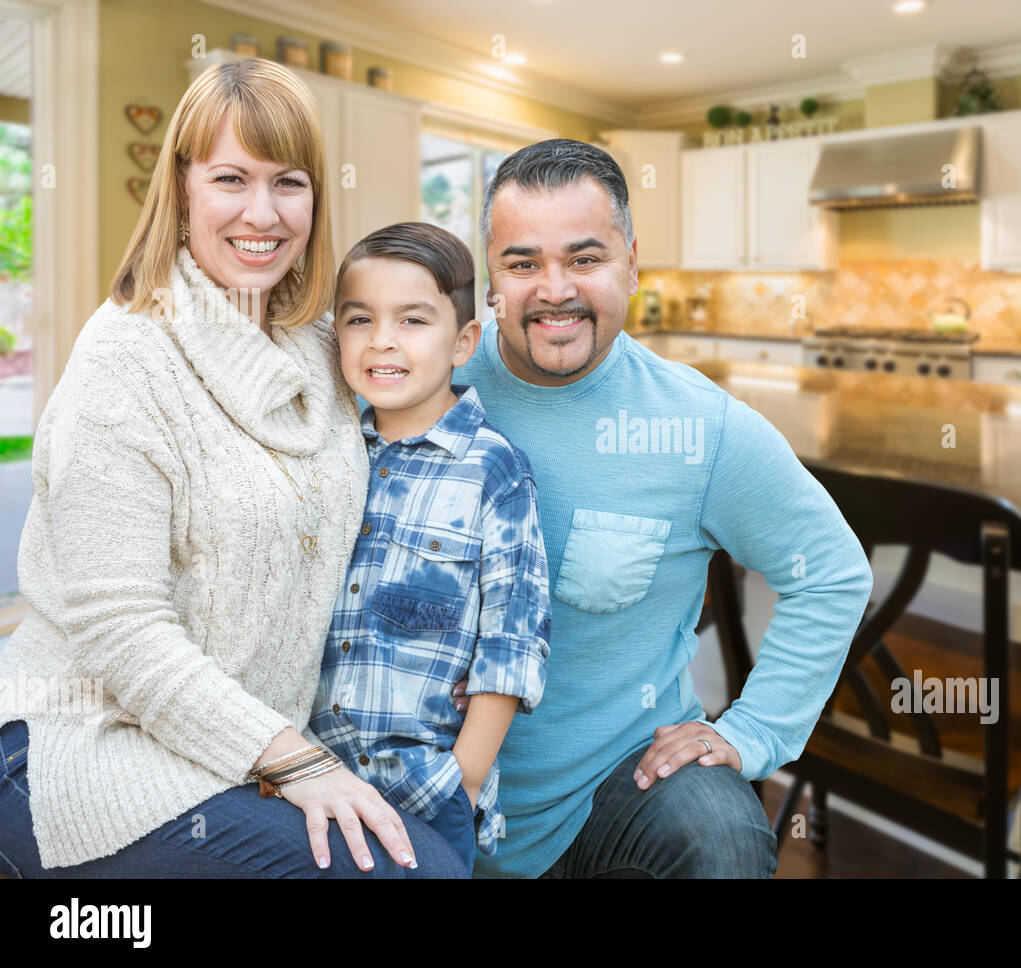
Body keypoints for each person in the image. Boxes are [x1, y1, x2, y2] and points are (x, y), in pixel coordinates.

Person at [0, 59, 463, 878]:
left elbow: (439, 348)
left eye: (289, 181)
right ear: (180, 190)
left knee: (435, 859)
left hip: (244, 740)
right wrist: (296, 760)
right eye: (230, 178)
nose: (263, 212)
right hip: (86, 746)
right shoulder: (126, 361)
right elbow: (122, 633)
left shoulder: (322, 343)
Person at [452, 139, 874, 878]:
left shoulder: (701, 429)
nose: (554, 290)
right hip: (429, 791)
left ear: (632, 262)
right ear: (492, 275)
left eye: (585, 259)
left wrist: (753, 729)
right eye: (523, 264)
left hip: (614, 789)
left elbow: (832, 572)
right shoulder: (427, 377)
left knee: (722, 841)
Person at [309, 221, 551, 876]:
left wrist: (461, 785)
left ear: (463, 341)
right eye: (360, 320)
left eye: (413, 321)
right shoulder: (331, 454)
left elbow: (512, 648)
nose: (382, 340)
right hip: (311, 782)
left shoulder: (493, 471)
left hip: (423, 793)